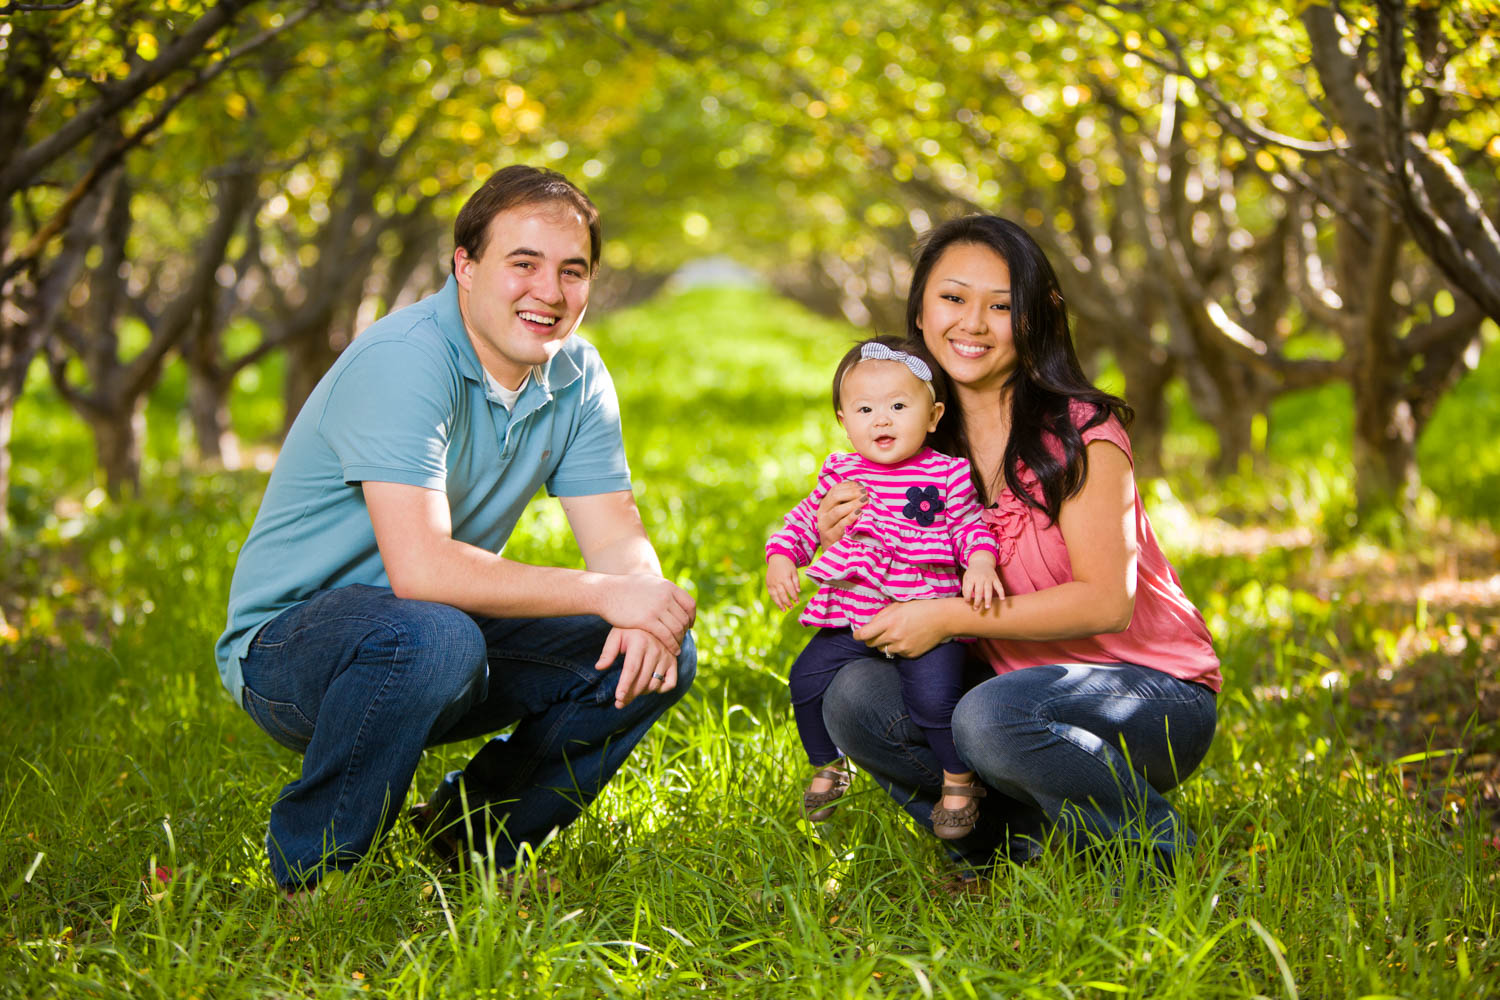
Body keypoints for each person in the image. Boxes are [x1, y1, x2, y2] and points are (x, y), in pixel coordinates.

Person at [214, 165, 697, 897]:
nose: (550, 291)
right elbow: (421, 571)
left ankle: (470, 840)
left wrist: (642, 602)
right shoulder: (406, 361)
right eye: (523, 263)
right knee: (435, 633)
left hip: (435, 639)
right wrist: (610, 593)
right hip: (292, 651)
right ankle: (315, 878)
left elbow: (617, 538)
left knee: (658, 647)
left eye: (573, 270)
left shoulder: (578, 374)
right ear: (464, 266)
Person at [816, 216, 1220, 873]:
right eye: (953, 298)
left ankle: (1159, 853)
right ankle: (1002, 849)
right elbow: (897, 590)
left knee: (989, 715)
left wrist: (947, 616)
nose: (973, 323)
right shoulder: (917, 454)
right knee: (854, 695)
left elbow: (1104, 604)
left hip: (1152, 699)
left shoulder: (1081, 432)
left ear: (1033, 320)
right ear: (919, 310)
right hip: (1010, 695)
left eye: (1001, 306)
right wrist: (842, 546)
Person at [766, 336, 1002, 839]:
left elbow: (969, 528)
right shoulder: (841, 471)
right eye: (865, 409)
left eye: (898, 406)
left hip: (927, 612)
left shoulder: (947, 473)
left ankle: (958, 780)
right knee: (805, 678)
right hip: (855, 610)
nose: (882, 420)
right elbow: (805, 521)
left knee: (933, 701)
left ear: (934, 415)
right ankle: (828, 764)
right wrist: (783, 558)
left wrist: (981, 563)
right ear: (843, 420)